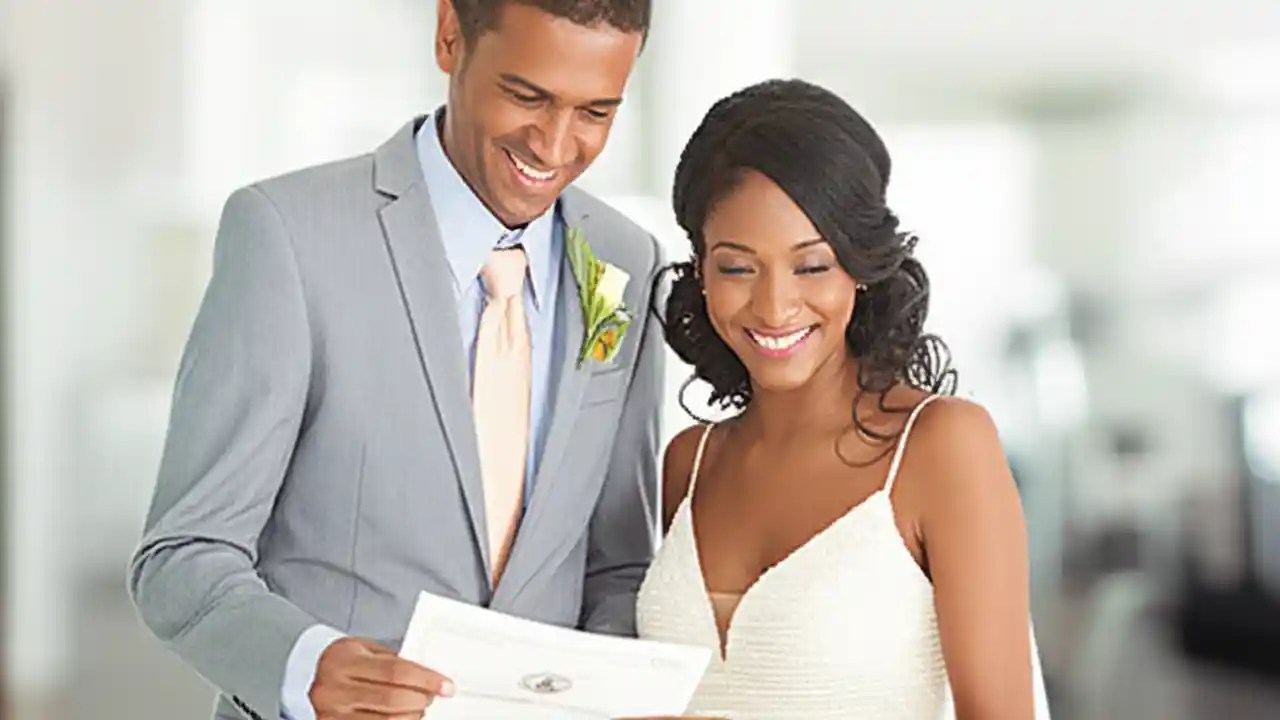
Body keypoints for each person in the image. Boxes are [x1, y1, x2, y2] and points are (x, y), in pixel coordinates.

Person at [128, 2, 662, 719]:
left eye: (595, 112)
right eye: (525, 96)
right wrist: (305, 663)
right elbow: (182, 555)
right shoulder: (288, 235)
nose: (556, 144)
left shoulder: (628, 261)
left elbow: (618, 565)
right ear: (450, 36)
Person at [635, 79, 1043, 719]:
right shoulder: (689, 464)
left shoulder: (940, 447)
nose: (773, 306)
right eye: (738, 267)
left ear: (861, 264)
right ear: (702, 270)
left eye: (812, 266)